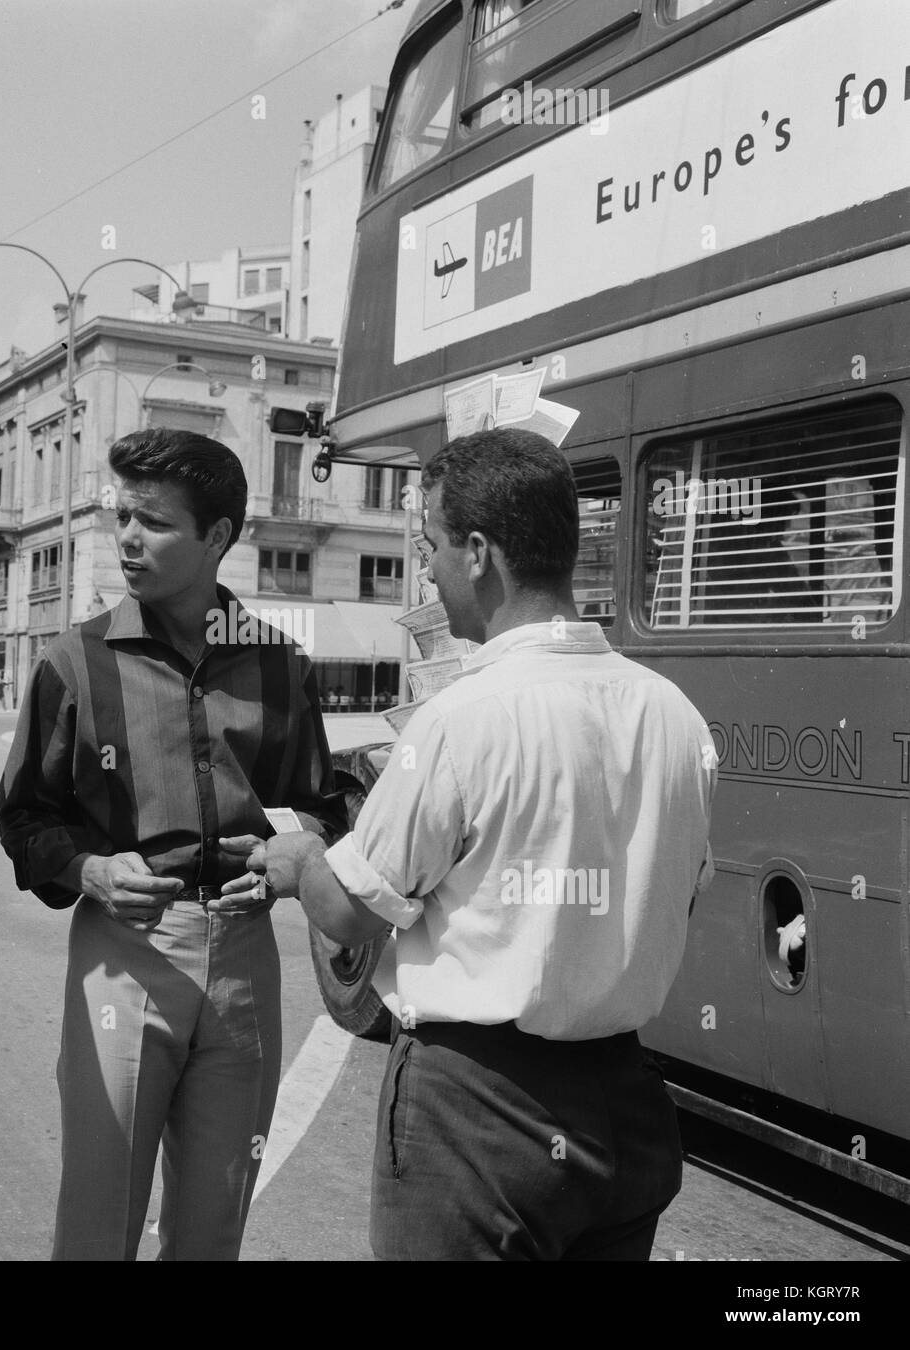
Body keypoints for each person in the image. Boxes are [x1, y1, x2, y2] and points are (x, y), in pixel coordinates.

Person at [254, 428, 716, 1261]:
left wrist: (301, 864)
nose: (424, 570)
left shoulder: (462, 720)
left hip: (475, 1121)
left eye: (429, 545)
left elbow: (354, 915)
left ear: (477, 552)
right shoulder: (675, 716)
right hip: (625, 1113)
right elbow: (676, 893)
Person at [0, 427, 345, 1261]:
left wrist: (290, 862)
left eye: (152, 522)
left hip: (245, 959)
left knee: (215, 1217)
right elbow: (25, 818)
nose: (125, 538)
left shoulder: (280, 667)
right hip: (125, 950)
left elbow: (326, 810)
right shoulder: (73, 662)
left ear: (218, 537)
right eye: (121, 516)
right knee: (98, 1210)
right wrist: (88, 869)